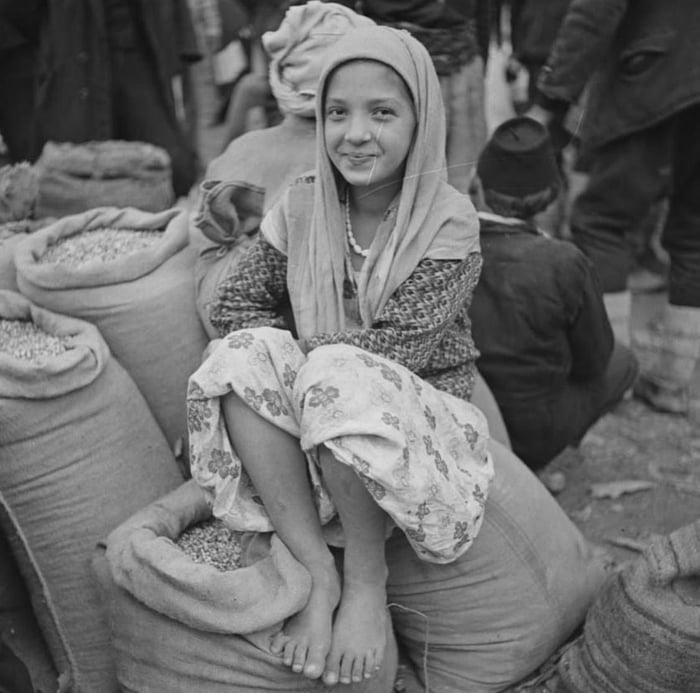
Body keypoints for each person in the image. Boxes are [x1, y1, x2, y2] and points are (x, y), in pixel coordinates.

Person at [189, 25, 608, 693]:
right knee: (237, 353)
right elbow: (236, 303)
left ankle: (364, 577)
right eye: (337, 113)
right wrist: (285, 356)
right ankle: (313, 565)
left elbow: (398, 346)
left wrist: (307, 361)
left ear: (421, 120)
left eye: (382, 112)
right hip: (326, 393)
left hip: (420, 406)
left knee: (332, 368)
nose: (355, 133)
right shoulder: (301, 203)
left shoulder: (447, 220)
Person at [528, 0, 700, 414]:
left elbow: (595, 10)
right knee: (694, 232)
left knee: (602, 223)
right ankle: (673, 382)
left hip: (654, 78)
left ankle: (613, 380)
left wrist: (549, 100)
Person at [193, 1, 375, 337]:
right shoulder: (366, 161)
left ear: (283, 78)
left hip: (241, 321)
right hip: (319, 330)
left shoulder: (241, 151)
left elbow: (204, 225)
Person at [469, 116, 638, 469]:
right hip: (535, 434)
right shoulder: (565, 261)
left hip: (467, 421)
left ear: (478, 186)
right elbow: (596, 359)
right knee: (623, 362)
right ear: (549, 196)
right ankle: (540, 465)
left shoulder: (451, 245)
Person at [9, 0, 202, 198]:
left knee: (174, 172)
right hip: (75, 64)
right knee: (68, 179)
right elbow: (19, 11)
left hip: (137, 57)